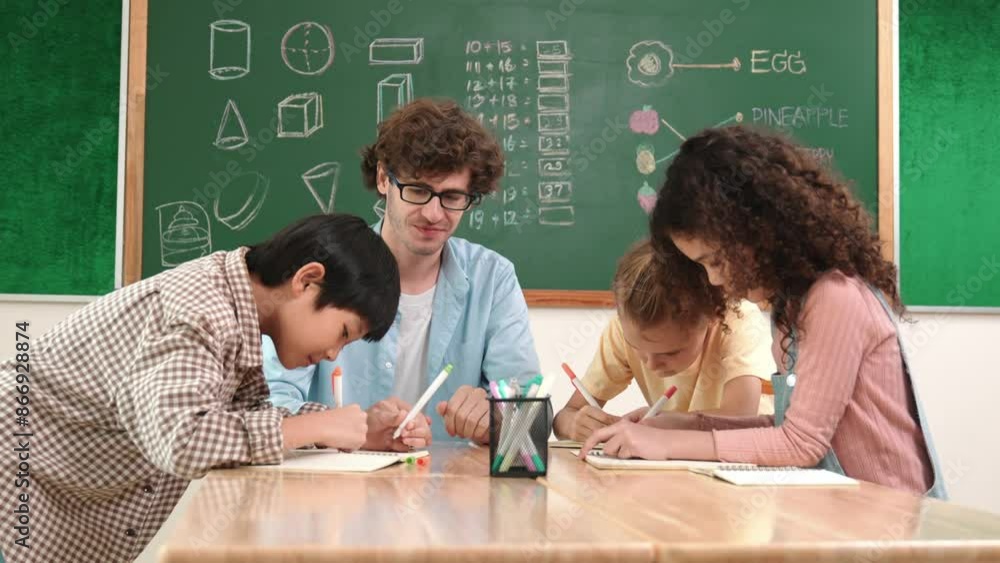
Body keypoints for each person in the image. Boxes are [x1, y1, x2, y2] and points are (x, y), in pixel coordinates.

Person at [0, 214, 410, 562]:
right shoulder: (200, 310)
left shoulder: (241, 313)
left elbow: (238, 425)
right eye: (342, 333)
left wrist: (354, 432)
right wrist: (316, 430)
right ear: (307, 280)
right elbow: (185, 440)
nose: (333, 354)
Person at [581, 125, 946, 498]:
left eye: (717, 260)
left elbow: (801, 445)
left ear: (760, 230)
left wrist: (667, 445)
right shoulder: (792, 307)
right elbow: (786, 427)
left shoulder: (835, 298)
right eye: (701, 266)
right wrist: (681, 425)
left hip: (895, 522)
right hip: (843, 515)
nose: (715, 279)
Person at [265, 98, 540, 444]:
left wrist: (497, 425)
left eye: (453, 197)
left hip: (450, 491)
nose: (433, 214)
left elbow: (526, 434)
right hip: (333, 487)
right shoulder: (324, 267)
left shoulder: (493, 280)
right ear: (383, 178)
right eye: (418, 191)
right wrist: (349, 431)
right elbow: (268, 407)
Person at [553, 240, 774, 443]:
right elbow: (565, 417)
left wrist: (664, 427)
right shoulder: (623, 331)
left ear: (711, 317)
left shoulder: (739, 322)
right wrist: (574, 425)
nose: (651, 364)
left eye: (670, 353)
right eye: (637, 348)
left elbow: (740, 419)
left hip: (746, 467)